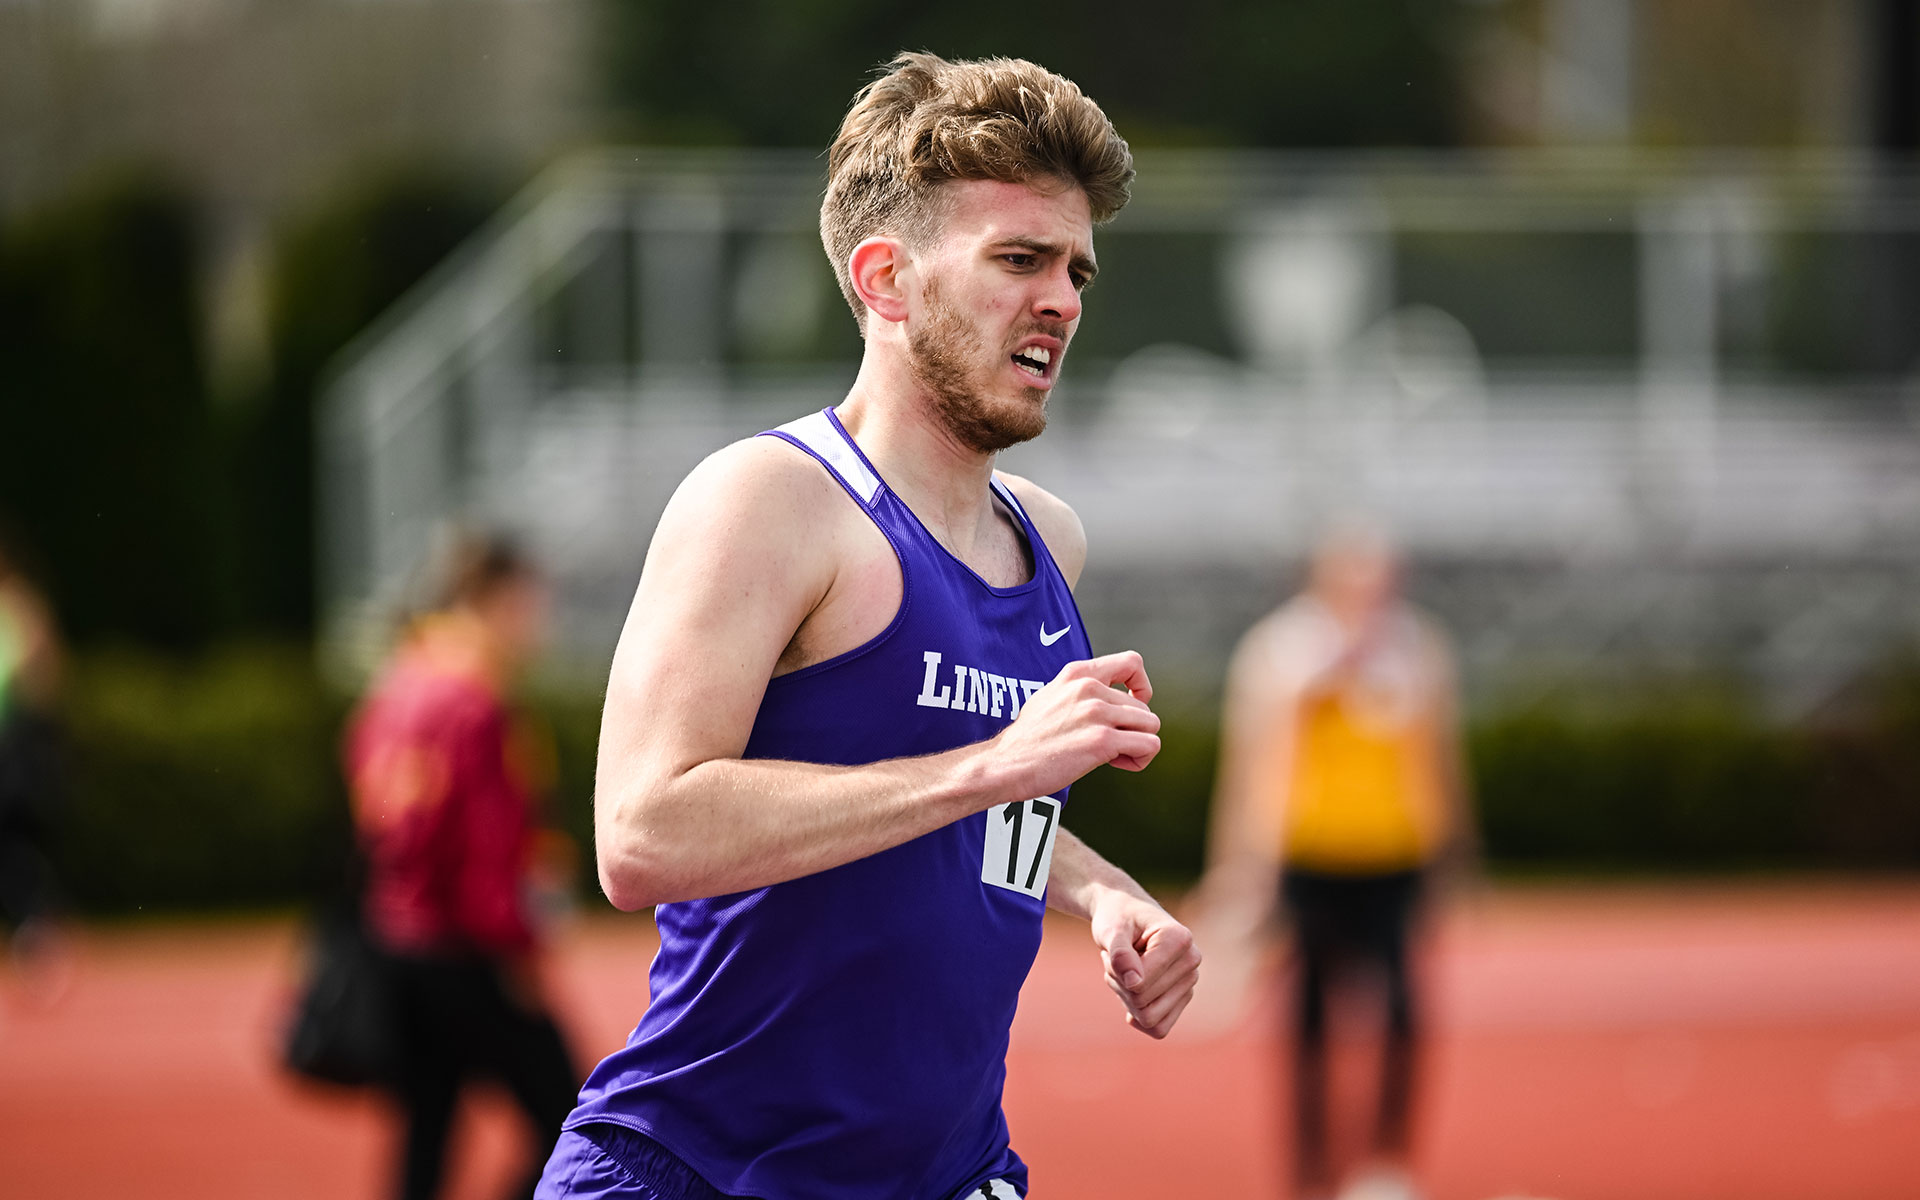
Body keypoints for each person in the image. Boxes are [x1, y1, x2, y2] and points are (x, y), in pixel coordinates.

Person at [537, 52, 1200, 1200]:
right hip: (697, 1171)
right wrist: (992, 763)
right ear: (887, 281)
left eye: (1076, 269)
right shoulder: (770, 501)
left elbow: (981, 813)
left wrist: (1100, 891)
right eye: (1020, 260)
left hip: (947, 1176)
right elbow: (640, 836)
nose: (1063, 300)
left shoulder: (1050, 540)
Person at [1201, 525, 1473, 1200]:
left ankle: (1387, 1158)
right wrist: (1240, 866)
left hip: (1392, 854)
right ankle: (1311, 1169)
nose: (1373, 591)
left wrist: (1453, 852)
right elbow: (1252, 766)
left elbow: (1439, 758)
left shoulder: (1416, 648)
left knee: (1406, 1012)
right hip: (1310, 854)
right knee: (1311, 1018)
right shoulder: (1282, 651)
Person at [346, 534, 579, 1200]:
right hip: (469, 947)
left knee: (426, 1132)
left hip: (399, 934)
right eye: (530, 605)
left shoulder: (396, 686)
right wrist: (520, 951)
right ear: (490, 600)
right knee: (570, 1125)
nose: (538, 623)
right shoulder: (477, 702)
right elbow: (488, 849)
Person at [0, 521, 71, 1003]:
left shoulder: (22, 607)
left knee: (12, 846)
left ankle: (35, 927)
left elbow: (43, 680)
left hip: (12, 751)